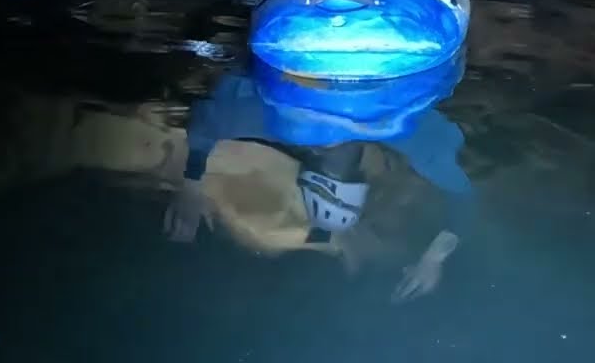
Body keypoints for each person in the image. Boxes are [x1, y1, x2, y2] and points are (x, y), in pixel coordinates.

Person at [163, 56, 474, 303]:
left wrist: (434, 257)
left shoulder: (396, 129)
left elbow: (462, 193)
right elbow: (207, 124)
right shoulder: (397, 129)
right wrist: (191, 183)